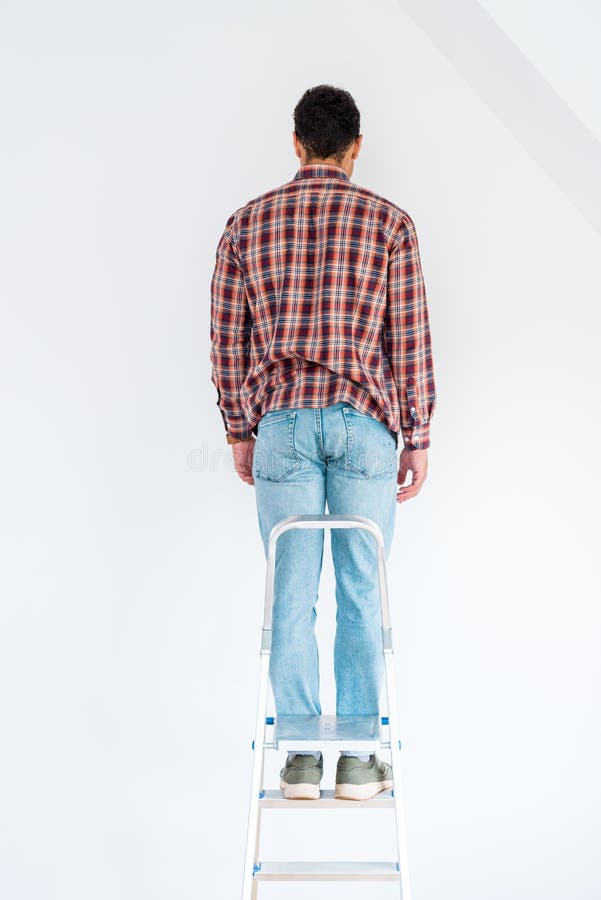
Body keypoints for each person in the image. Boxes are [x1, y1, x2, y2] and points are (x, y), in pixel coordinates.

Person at [210, 84, 436, 800]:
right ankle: (363, 763)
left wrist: (238, 430)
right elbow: (411, 337)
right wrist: (418, 433)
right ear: (355, 147)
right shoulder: (389, 223)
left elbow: (227, 339)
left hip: (280, 426)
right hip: (365, 426)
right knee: (362, 592)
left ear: (296, 141)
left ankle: (303, 758)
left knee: (291, 594)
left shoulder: (247, 224)